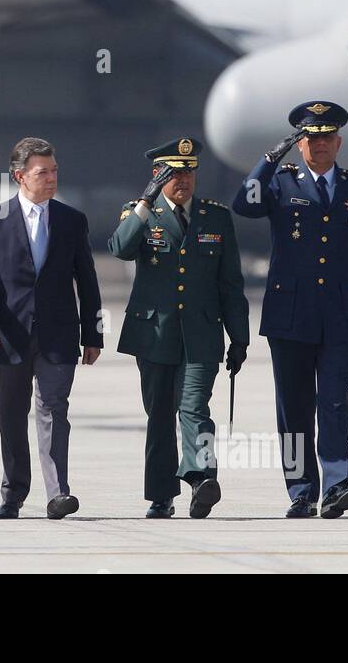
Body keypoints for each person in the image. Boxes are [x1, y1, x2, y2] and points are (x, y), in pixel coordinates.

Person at [231, 102, 348, 519]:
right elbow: (243, 205)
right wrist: (267, 160)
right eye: (310, 138)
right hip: (291, 313)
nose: (319, 145)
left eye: (326, 138)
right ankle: (301, 490)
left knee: (334, 401)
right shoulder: (280, 183)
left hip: (341, 313)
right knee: (294, 407)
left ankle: (337, 484)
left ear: (338, 142)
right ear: (300, 144)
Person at [108, 138, 248, 519]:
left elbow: (230, 283)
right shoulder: (139, 213)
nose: (183, 180)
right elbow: (119, 248)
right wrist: (144, 201)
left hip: (202, 333)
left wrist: (240, 338)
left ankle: (202, 479)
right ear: (157, 175)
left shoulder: (215, 217)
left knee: (194, 408)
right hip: (154, 333)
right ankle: (161, 493)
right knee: (160, 415)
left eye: (188, 172)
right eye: (173, 173)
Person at [0, 137, 102, 520]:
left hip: (59, 335)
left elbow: (86, 280)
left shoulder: (72, 220)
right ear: (19, 176)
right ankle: (13, 491)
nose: (52, 178)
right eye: (43, 172)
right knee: (11, 413)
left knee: (54, 409)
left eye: (55, 171)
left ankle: (58, 493)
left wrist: (92, 334)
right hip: (7, 335)